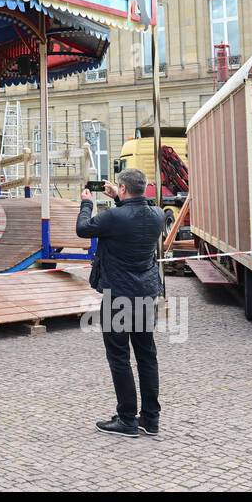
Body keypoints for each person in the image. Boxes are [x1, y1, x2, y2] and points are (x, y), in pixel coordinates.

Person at [75, 168, 167, 438]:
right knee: (146, 355)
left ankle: (127, 418)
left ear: (124, 189)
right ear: (145, 188)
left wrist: (86, 203)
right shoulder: (158, 215)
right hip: (146, 294)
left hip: (118, 296)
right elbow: (136, 216)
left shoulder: (113, 217)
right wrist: (119, 197)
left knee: (119, 357)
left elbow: (82, 229)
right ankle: (151, 419)